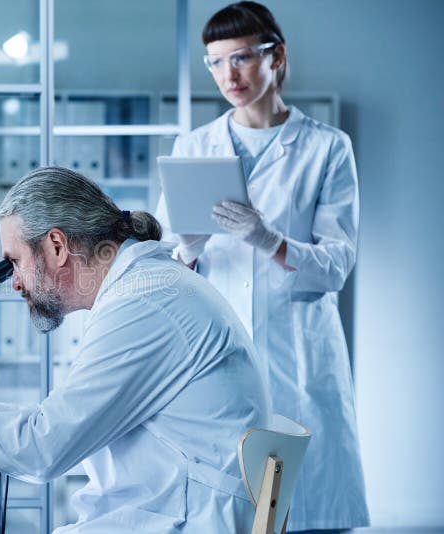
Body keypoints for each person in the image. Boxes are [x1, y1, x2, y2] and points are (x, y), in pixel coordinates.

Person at [0, 166, 270, 532]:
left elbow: (43, 451)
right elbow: (65, 426)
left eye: (14, 262)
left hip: (180, 520)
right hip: (169, 510)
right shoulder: (144, 287)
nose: (15, 283)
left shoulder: (146, 303)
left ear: (56, 245)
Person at [154, 2, 368, 532]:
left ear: (277, 57)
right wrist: (185, 247)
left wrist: (271, 241)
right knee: (229, 514)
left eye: (243, 58)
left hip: (300, 357)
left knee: (309, 512)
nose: (229, 75)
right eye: (216, 62)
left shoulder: (327, 149)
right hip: (219, 356)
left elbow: (337, 265)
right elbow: (160, 270)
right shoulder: (194, 147)